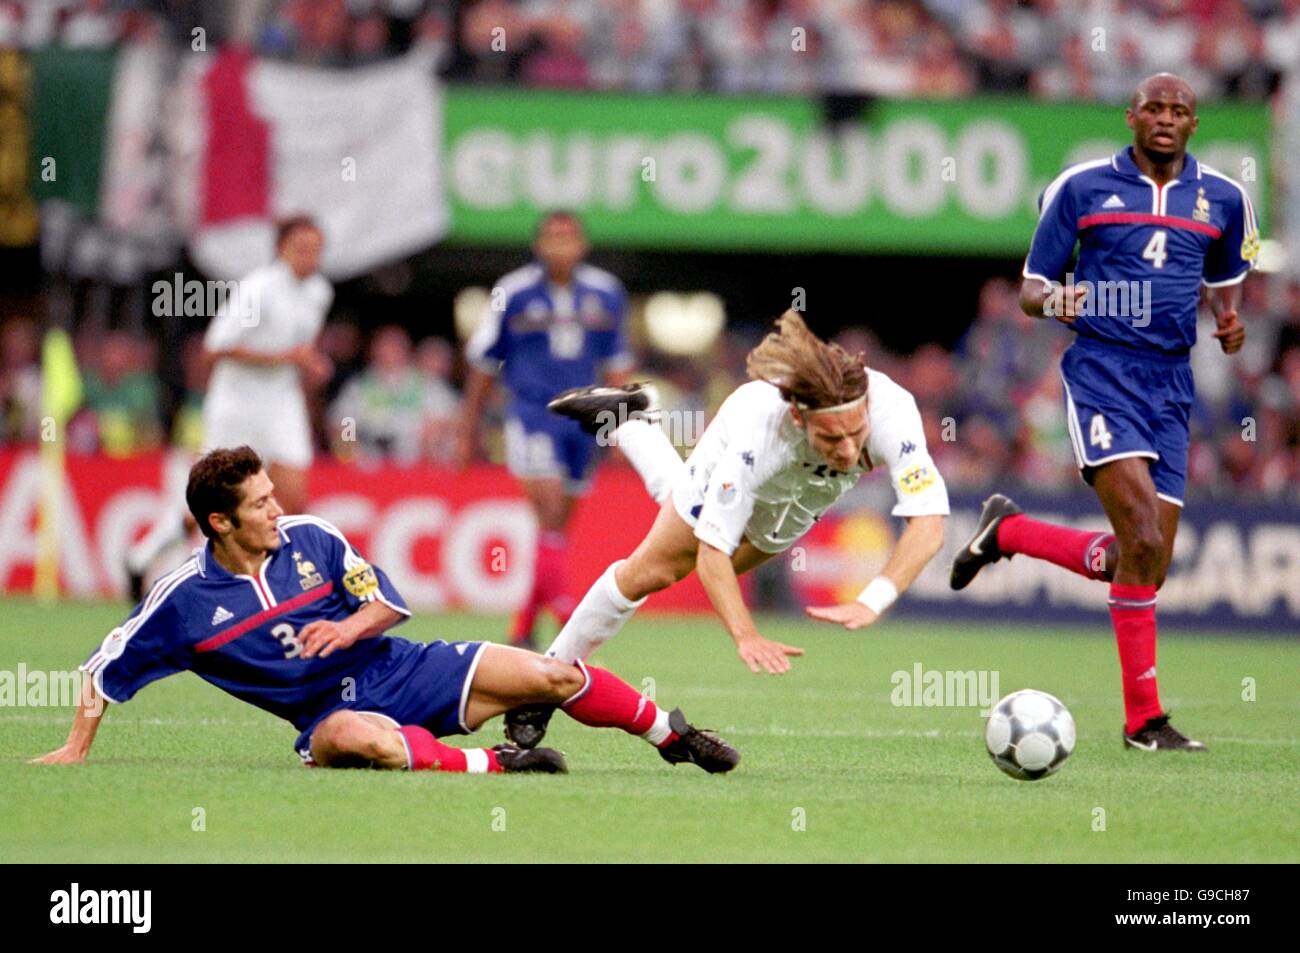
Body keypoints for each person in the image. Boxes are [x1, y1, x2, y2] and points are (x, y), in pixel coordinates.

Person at [32, 446, 739, 776]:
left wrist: (347, 624)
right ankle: (496, 764)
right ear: (219, 522)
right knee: (361, 740)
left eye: (274, 494)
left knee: (555, 673)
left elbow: (389, 603)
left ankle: (670, 737)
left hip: (403, 666)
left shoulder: (313, 537)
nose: (279, 508)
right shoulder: (182, 601)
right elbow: (102, 668)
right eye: (260, 503)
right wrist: (75, 746)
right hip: (326, 716)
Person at [950, 73, 1260, 752]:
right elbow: (1032, 289)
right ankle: (1145, 722)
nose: (1166, 118)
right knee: (1145, 540)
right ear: (1131, 116)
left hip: (1173, 384)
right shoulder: (1082, 186)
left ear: (1194, 124)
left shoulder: (1225, 198)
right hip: (1103, 373)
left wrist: (1229, 320)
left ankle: (1011, 532)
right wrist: (1074, 302)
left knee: (1142, 559)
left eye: (1180, 110)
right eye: (1154, 107)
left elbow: (1226, 278)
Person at [504, 311, 950, 748]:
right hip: (737, 455)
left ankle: (632, 420)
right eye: (833, 438)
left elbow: (929, 523)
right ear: (799, 419)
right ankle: (545, 681)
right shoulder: (756, 437)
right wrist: (745, 634)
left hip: (803, 499)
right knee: (656, 570)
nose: (850, 450)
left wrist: (873, 601)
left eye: (857, 434)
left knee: (695, 532)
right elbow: (710, 553)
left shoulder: (895, 414)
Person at [125, 215, 334, 601]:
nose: (309, 257)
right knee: (215, 502)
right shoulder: (259, 289)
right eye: (301, 248)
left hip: (282, 404)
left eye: (315, 250)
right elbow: (216, 347)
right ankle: (145, 556)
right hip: (238, 404)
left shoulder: (319, 292)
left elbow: (301, 348)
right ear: (280, 248)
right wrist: (287, 358)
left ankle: (277, 589)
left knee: (294, 497)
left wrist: (309, 364)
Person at [457, 211, 633, 647]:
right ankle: (572, 623)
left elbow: (617, 366)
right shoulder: (512, 292)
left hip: (585, 419)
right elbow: (483, 363)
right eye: (552, 237)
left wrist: (623, 428)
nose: (560, 246)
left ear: (582, 245)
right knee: (550, 506)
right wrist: (469, 429)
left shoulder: (606, 293)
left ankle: (521, 630)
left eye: (569, 237)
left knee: (555, 530)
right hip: (533, 413)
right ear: (538, 245)